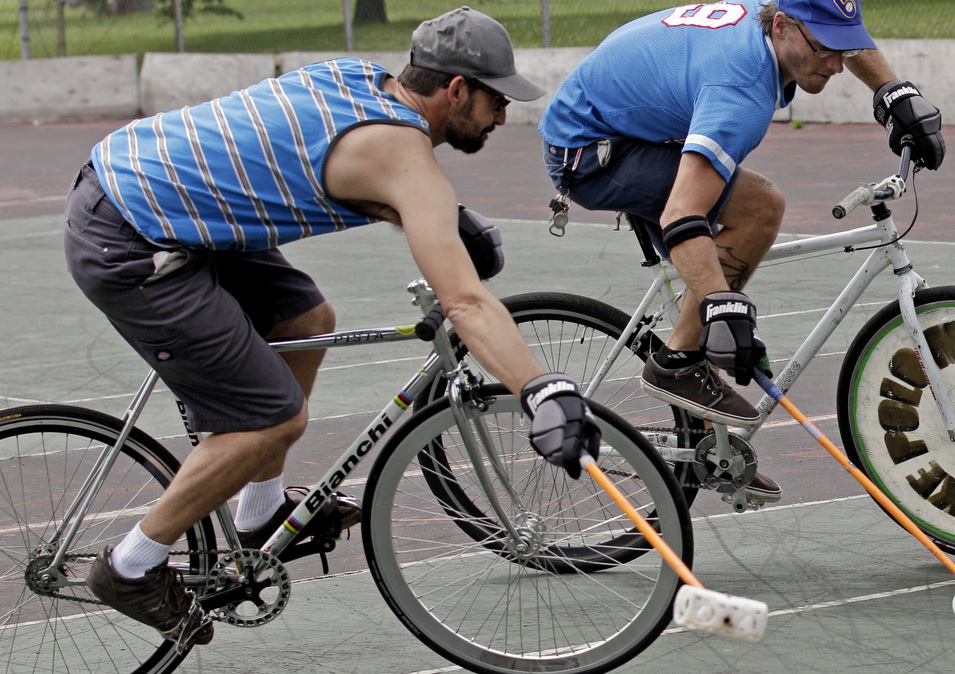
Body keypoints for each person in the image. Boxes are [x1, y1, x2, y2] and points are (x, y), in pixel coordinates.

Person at [67, 6, 600, 649]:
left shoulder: (358, 77)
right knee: (271, 420)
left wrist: (437, 217)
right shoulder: (404, 158)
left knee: (306, 320)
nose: (504, 115)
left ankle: (260, 512)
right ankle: (130, 567)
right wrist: (541, 388)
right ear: (457, 90)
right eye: (497, 100)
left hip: (153, 187)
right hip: (130, 235)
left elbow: (321, 159)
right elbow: (465, 302)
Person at [538, 0, 945, 504]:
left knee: (718, 267)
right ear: (782, 27)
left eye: (844, 49)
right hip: (592, 149)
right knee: (759, 209)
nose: (837, 65)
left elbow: (836, 33)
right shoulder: (741, 90)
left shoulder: (779, 19)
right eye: (824, 50)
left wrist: (893, 90)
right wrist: (722, 308)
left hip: (631, 122)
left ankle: (713, 444)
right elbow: (680, 213)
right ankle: (677, 362)